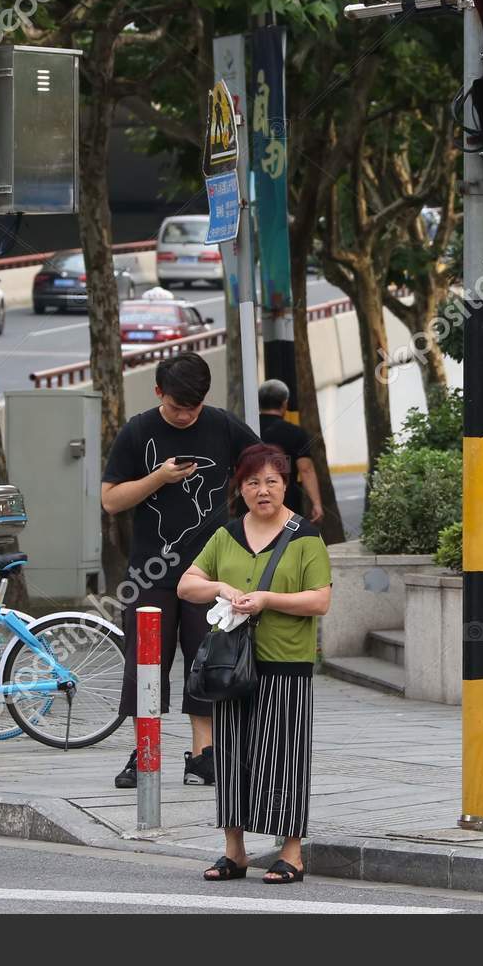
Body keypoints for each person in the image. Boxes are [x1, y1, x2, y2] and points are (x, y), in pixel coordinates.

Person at [102, 351, 261, 789]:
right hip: (149, 571)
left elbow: (263, 469)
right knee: (144, 660)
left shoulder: (223, 425)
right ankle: (144, 750)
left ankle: (202, 755)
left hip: (209, 571)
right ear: (158, 393)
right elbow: (111, 500)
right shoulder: (138, 431)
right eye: (176, 407)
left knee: (205, 659)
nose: (185, 416)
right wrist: (158, 479)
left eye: (192, 408)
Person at [178, 444, 332, 884]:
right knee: (230, 755)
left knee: (284, 754)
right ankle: (235, 851)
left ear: (286, 485)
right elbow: (188, 583)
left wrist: (267, 599)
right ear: (240, 487)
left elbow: (320, 600)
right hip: (231, 664)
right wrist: (222, 588)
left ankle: (291, 853)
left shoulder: (305, 538)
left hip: (286, 663)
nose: (262, 491)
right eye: (252, 482)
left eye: (271, 482)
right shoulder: (226, 535)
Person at [257, 378, 324, 523]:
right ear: (284, 404)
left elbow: (235, 469)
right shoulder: (295, 433)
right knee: (286, 543)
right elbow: (306, 470)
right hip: (286, 503)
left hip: (251, 502)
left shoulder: (247, 429)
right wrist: (317, 503)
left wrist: (230, 497)